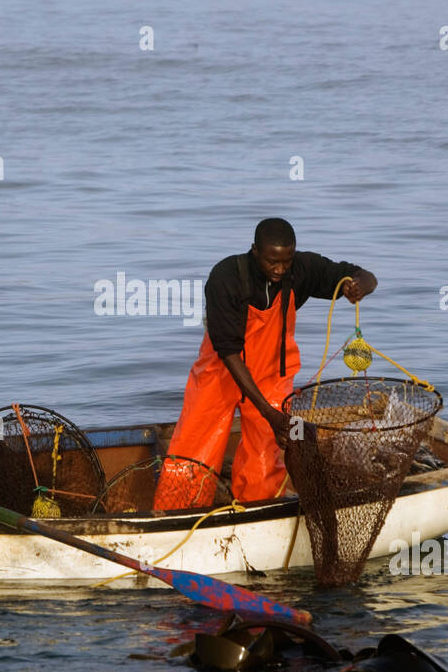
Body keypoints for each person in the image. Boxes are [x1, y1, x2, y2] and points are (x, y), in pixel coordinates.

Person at [153, 218, 377, 509]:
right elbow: (228, 350)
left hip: (272, 374)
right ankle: (177, 513)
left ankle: (257, 511)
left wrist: (360, 286)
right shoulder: (225, 278)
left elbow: (358, 274)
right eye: (272, 262)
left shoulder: (301, 268)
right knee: (195, 445)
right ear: (255, 251)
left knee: (265, 453)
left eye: (286, 261)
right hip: (220, 372)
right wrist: (267, 413)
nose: (280, 270)